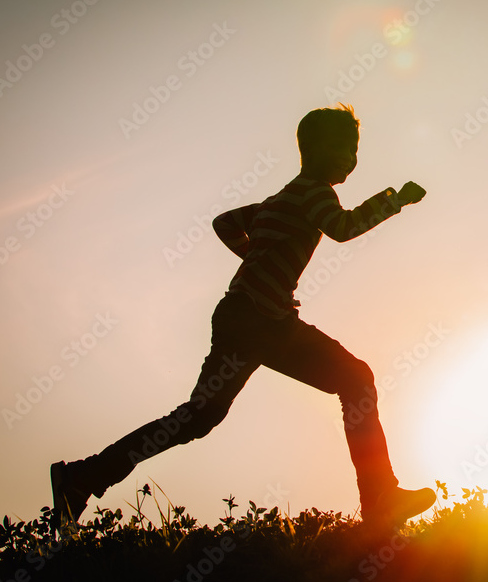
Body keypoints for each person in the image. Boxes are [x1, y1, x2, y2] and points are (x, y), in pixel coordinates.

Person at [51, 104, 435, 531]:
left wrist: (254, 258)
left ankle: (83, 476)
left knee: (199, 416)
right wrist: (394, 200)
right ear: (317, 149)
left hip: (243, 317)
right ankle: (380, 498)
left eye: (356, 150)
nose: (353, 159)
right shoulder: (315, 193)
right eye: (347, 148)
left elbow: (224, 223)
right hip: (261, 321)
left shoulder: (278, 200)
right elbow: (343, 228)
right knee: (356, 379)